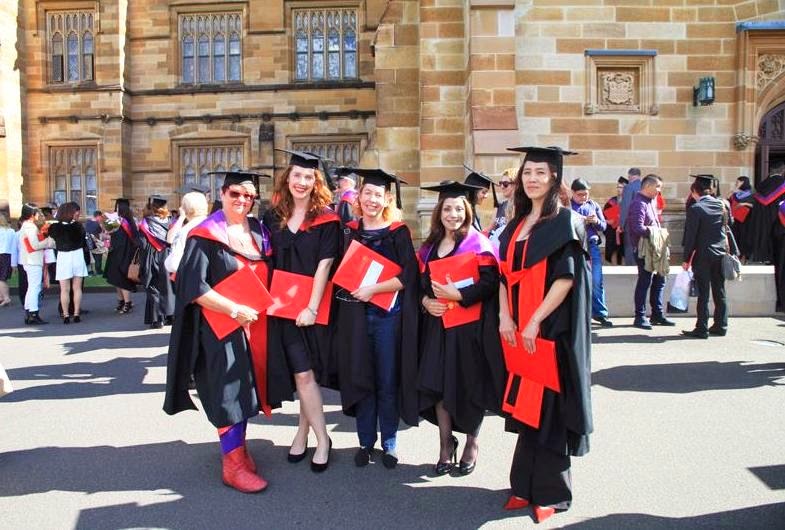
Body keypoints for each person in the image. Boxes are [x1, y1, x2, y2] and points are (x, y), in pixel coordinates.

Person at [164, 171, 284, 494]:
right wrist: (233, 310)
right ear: (222, 193)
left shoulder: (259, 231)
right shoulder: (205, 234)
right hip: (221, 328)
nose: (242, 201)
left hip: (254, 326)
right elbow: (193, 287)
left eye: (248, 196)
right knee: (228, 394)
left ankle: (239, 450)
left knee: (245, 391)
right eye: (235, 194)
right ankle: (232, 465)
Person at [497, 146, 592, 524]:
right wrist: (505, 316)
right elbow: (504, 275)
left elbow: (565, 278)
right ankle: (523, 485)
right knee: (526, 408)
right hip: (517, 328)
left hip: (550, 329)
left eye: (540, 172)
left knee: (549, 410)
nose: (532, 179)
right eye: (527, 172)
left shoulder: (565, 221)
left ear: (554, 178)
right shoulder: (516, 223)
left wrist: (534, 320)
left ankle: (552, 493)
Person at [331, 168, 419, 469]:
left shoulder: (397, 232)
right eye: (366, 193)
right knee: (362, 377)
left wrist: (373, 289)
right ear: (359, 197)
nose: (371, 199)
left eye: (377, 195)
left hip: (387, 318)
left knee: (387, 379)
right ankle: (365, 442)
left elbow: (408, 275)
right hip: (355, 318)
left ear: (387, 199)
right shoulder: (348, 231)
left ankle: (389, 442)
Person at [417, 180, 505, 478]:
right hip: (438, 328)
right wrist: (426, 301)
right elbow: (419, 285)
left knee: (469, 386)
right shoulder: (429, 248)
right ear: (439, 212)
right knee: (439, 387)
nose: (452, 214)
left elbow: (490, 284)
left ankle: (471, 443)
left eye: (458, 209)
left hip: (469, 329)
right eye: (447, 209)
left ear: (467, 211)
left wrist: (460, 295)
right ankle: (445, 445)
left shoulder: (478, 244)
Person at [264, 149, 340, 472]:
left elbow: (325, 265)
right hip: (282, 307)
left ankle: (322, 439)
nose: (302, 181)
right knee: (301, 373)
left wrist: (311, 307)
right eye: (297, 175)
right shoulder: (273, 217)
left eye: (309, 177)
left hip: (313, 308)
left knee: (306, 374)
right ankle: (303, 431)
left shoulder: (327, 219)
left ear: (316, 182)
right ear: (288, 178)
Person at [681, 175, 737, 338]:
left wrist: (686, 259)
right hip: (720, 254)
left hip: (703, 255)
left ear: (694, 192)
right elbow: (729, 224)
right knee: (720, 291)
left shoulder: (696, 209)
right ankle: (721, 325)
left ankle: (702, 328)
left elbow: (691, 237)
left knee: (703, 294)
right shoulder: (723, 205)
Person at [627, 174, 675, 330]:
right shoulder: (638, 203)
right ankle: (640, 316)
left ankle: (657, 314)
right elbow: (637, 228)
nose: (659, 190)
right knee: (645, 281)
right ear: (647, 186)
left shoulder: (651, 201)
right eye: (657, 187)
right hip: (644, 250)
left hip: (655, 248)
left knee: (660, 280)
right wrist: (657, 232)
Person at [570, 178, 612, 327]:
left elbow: (604, 226)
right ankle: (578, 314)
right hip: (575, 246)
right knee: (575, 281)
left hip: (592, 245)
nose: (583, 197)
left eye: (586, 194)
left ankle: (600, 313)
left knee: (596, 280)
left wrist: (595, 222)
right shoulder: (568, 206)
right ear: (573, 193)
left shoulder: (593, 205)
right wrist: (581, 220)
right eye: (580, 195)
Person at [747, 163, 785, 311]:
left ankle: (778, 302)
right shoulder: (782, 186)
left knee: (777, 268)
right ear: (782, 171)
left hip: (766, 237)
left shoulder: (761, 187)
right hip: (781, 232)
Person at [47, 202, 89, 323]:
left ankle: (65, 315)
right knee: (77, 288)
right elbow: (83, 241)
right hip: (77, 255)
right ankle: (76, 313)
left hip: (63, 256)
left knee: (64, 289)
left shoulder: (55, 227)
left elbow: (51, 243)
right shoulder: (78, 226)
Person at [138, 195, 175, 329]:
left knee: (154, 286)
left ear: (152, 208)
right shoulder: (172, 221)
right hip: (168, 255)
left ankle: (157, 320)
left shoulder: (145, 223)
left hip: (152, 256)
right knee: (168, 286)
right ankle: (170, 317)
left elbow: (142, 244)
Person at [19, 203, 55, 325]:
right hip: (33, 260)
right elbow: (35, 245)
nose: (39, 215)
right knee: (35, 287)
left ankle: (29, 312)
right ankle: (33, 313)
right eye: (37, 213)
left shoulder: (26, 225)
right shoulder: (30, 227)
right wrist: (48, 241)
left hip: (29, 260)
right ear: (32, 214)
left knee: (31, 287)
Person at [104, 198, 138, 314]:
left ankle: (127, 303)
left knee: (122, 278)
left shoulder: (127, 221)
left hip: (125, 253)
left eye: (118, 207)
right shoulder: (118, 220)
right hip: (115, 252)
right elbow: (107, 231)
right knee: (115, 278)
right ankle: (121, 301)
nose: (116, 209)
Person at [165, 192, 209, 276]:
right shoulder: (213, 226)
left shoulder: (185, 231)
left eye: (182, 206)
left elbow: (174, 265)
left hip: (191, 277)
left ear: (186, 209)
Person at [618, 167, 642, 265]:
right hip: (644, 222)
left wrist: (621, 224)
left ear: (630, 176)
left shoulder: (629, 187)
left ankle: (631, 267)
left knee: (630, 247)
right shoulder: (645, 186)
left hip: (631, 223)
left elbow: (626, 207)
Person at [488, 167, 517, 247]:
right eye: (500, 183)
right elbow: (490, 228)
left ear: (516, 184)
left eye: (505, 184)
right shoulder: (500, 206)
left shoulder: (520, 207)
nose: (502, 187)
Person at [464, 166, 498, 232]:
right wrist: (490, 227)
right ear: (473, 191)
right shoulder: (464, 213)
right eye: (483, 192)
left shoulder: (471, 210)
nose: (486, 196)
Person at [727, 176, 754, 261]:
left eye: (738, 182)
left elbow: (756, 206)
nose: (736, 183)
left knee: (745, 237)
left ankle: (745, 256)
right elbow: (727, 201)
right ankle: (737, 255)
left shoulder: (752, 193)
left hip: (747, 220)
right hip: (736, 219)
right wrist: (733, 191)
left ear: (744, 182)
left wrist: (744, 204)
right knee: (736, 236)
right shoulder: (736, 194)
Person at [603, 177, 627, 265]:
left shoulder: (629, 201)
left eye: (621, 187)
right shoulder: (612, 201)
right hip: (612, 230)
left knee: (624, 250)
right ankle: (614, 266)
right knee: (613, 249)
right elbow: (604, 215)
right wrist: (607, 221)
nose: (619, 189)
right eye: (618, 187)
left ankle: (624, 267)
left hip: (624, 229)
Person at [0, 214, 15, 307]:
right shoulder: (11, 231)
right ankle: (2, 296)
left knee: (1, 278)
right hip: (8, 255)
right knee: (4, 278)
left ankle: (5, 298)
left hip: (1, 254)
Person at [85, 210, 105, 274]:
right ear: (98, 216)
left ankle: (90, 271)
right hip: (96, 243)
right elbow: (101, 232)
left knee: (90, 258)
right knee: (98, 257)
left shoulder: (87, 222)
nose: (101, 218)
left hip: (88, 243)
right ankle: (98, 271)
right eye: (101, 217)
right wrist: (101, 225)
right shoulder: (97, 224)